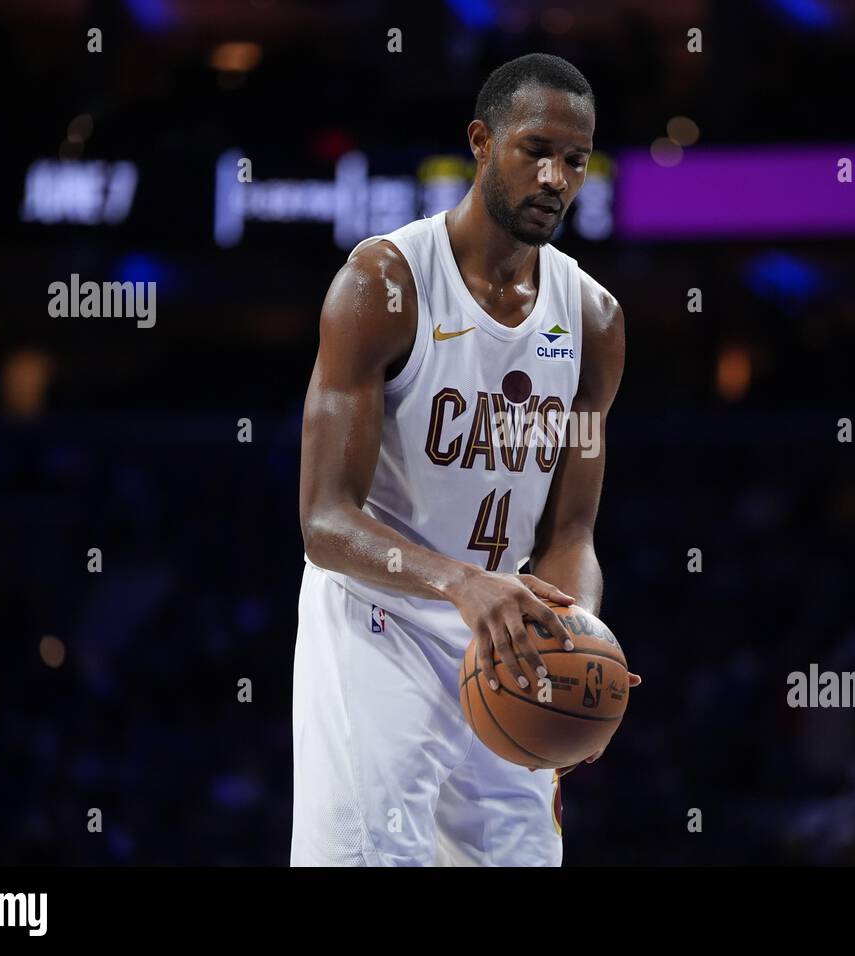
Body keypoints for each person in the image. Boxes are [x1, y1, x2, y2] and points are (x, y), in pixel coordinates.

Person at [292, 52, 639, 867]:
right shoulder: (383, 285)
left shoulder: (593, 322)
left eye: (577, 161)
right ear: (482, 142)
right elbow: (323, 521)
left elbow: (574, 529)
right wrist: (460, 584)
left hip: (507, 627)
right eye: (536, 151)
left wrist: (574, 630)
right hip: (380, 615)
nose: (556, 177)